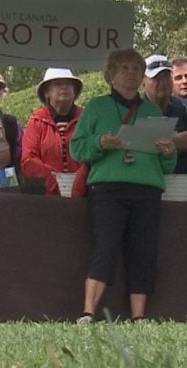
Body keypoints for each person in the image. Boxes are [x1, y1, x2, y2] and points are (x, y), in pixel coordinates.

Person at [70, 48, 176, 323]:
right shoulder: (96, 107)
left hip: (147, 189)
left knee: (144, 251)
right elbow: (77, 149)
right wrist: (99, 143)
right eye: (125, 68)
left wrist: (168, 151)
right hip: (108, 189)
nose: (132, 74)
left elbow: (168, 164)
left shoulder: (153, 110)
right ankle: (88, 312)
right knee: (105, 247)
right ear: (111, 75)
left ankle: (139, 316)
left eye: (137, 69)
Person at [20, 67, 87, 197]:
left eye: (68, 84)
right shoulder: (36, 121)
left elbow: (93, 152)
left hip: (83, 192)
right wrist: (52, 181)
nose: (64, 88)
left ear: (74, 91)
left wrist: (80, 179)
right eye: (57, 84)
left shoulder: (86, 118)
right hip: (47, 193)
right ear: (46, 92)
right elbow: (28, 160)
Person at [141, 54, 187, 175]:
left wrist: (154, 141)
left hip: (180, 180)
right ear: (143, 82)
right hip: (146, 179)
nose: (163, 82)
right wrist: (180, 139)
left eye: (166, 77)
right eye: (156, 78)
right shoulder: (134, 108)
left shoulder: (184, 106)